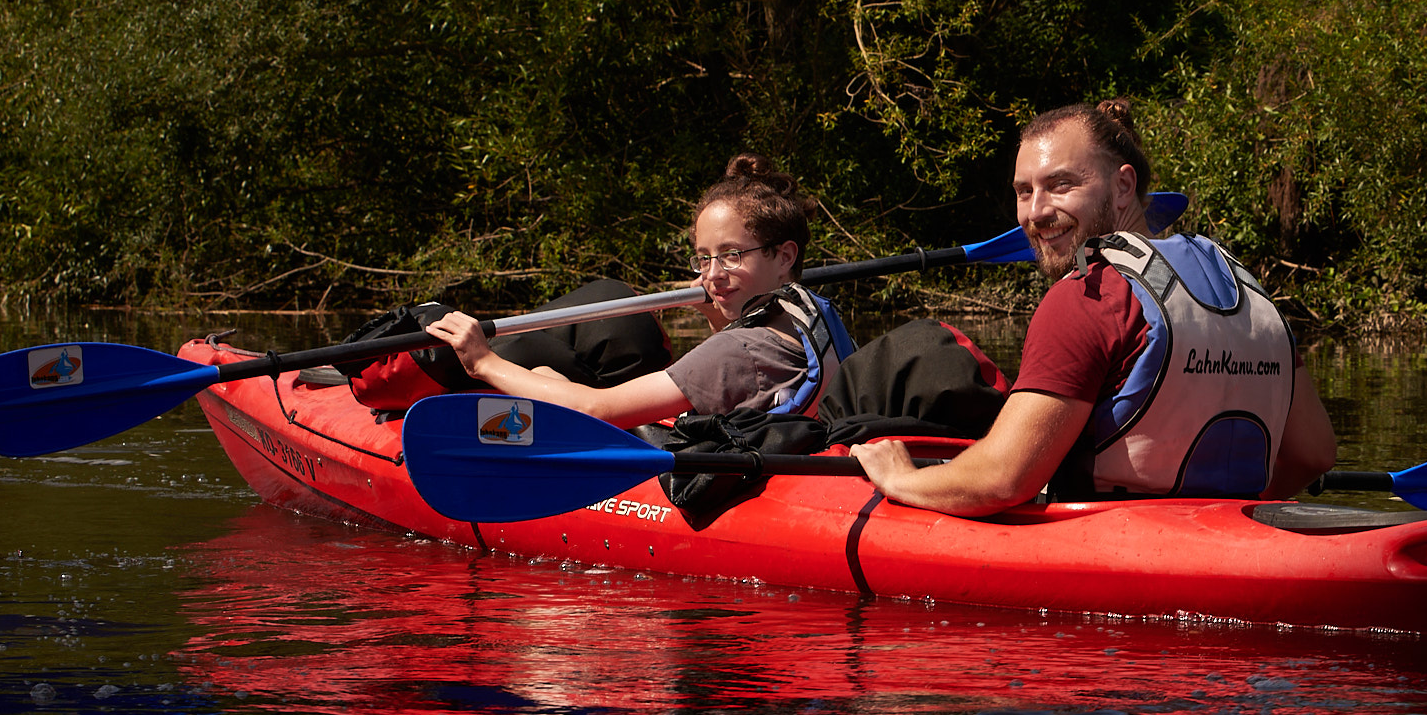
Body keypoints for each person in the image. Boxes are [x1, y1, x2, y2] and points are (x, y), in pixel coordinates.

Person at [850, 98, 1337, 515]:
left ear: (1124, 186)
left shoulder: (1088, 296)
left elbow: (1001, 479)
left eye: (1060, 185)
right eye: (1024, 191)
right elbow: (1314, 453)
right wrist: (1226, 520)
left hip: (1115, 546)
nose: (1036, 212)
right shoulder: (1246, 288)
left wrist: (900, 479)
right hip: (1229, 535)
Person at [425, 155, 855, 428]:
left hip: (718, 469)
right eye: (704, 258)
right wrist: (716, 318)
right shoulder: (812, 316)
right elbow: (750, 383)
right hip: (784, 444)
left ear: (784, 256)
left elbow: (598, 410)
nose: (712, 274)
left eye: (731, 256)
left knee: (543, 375)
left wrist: (483, 362)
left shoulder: (738, 351)